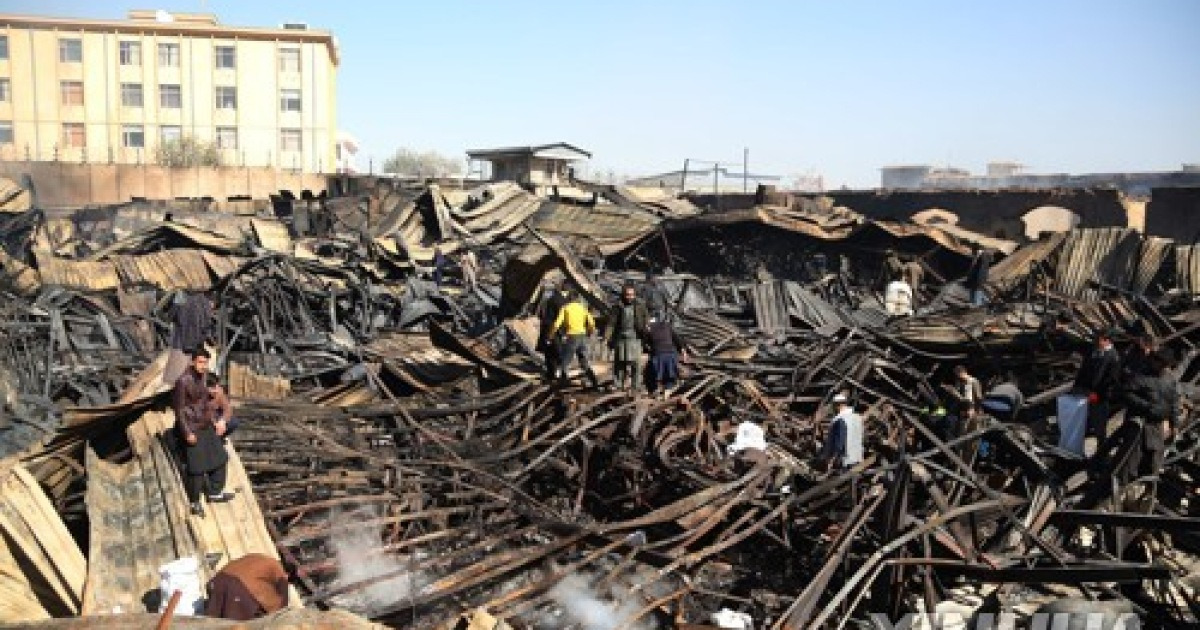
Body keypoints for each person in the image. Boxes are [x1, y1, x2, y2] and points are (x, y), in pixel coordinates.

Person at [173, 348, 233, 516]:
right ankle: (194, 502)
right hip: (192, 427)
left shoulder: (204, 377)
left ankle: (215, 493)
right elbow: (179, 411)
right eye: (200, 362)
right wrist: (186, 433)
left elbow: (208, 402)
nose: (203, 366)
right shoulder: (183, 382)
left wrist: (215, 421)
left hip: (205, 425)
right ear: (193, 362)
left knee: (220, 458)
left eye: (206, 362)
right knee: (197, 468)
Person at [1119, 349, 1178, 481]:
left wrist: (1175, 424)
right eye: (1159, 362)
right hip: (1139, 423)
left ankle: (1148, 484)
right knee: (1132, 457)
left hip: (1156, 425)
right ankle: (1124, 484)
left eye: (1164, 364)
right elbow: (1126, 393)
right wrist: (1146, 406)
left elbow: (1173, 402)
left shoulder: (1170, 380)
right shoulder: (1141, 376)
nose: (1161, 366)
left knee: (1155, 456)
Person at [204, 553, 289, 621]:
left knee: (212, 622)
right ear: (288, 574)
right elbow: (282, 608)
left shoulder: (260, 557)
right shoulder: (280, 572)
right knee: (235, 624)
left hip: (217, 581)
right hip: (235, 588)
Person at [1073, 328, 1121, 442]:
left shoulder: (1114, 358)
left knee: (1099, 426)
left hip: (1099, 398)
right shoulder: (1093, 351)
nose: (1095, 341)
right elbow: (1083, 370)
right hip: (1085, 392)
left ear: (1107, 341)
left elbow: (1111, 381)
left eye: (1098, 339)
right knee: (1081, 423)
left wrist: (1097, 394)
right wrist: (1077, 386)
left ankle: (1101, 452)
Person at [607, 285, 649, 395]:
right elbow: (611, 323)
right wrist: (606, 337)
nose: (629, 297)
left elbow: (646, 319)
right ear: (623, 295)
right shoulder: (618, 306)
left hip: (635, 338)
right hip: (621, 338)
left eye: (632, 295)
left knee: (636, 364)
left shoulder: (640, 305)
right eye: (627, 295)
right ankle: (618, 385)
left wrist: (646, 329)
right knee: (620, 363)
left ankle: (635, 387)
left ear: (634, 295)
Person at [552, 292, 599, 388]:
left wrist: (550, 335)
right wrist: (589, 332)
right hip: (582, 336)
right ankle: (594, 381)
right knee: (583, 360)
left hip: (572, 337)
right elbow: (591, 323)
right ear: (577, 299)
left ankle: (563, 383)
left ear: (569, 298)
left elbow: (556, 324)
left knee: (565, 361)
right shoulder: (583, 308)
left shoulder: (565, 308)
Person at [646, 312, 688, 398]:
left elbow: (647, 343)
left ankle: (657, 393)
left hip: (659, 355)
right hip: (670, 354)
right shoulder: (668, 326)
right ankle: (666, 394)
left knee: (655, 375)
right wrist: (684, 352)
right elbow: (677, 339)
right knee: (669, 377)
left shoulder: (650, 328)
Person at [820, 393, 863, 470]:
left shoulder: (841, 420)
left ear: (840, 405)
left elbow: (839, 442)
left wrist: (831, 460)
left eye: (834, 406)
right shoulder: (856, 417)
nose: (833, 408)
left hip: (841, 461)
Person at [535, 283, 566, 383]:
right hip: (555, 329)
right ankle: (559, 374)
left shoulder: (549, 299)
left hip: (547, 328)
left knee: (549, 352)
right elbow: (562, 318)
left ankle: (551, 374)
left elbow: (542, 314)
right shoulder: (562, 301)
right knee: (557, 352)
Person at [206, 373, 240, 441]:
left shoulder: (219, 391)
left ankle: (220, 437)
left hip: (216, 416)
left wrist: (222, 421)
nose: (216, 390)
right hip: (207, 418)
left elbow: (227, 408)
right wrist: (214, 422)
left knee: (234, 422)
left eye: (217, 387)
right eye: (213, 388)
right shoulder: (200, 394)